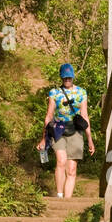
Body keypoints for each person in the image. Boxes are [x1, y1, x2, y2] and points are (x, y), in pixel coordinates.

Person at [38, 63, 95, 198]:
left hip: (75, 130)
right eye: (65, 78)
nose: (67, 80)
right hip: (58, 130)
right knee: (61, 161)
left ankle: (67, 201)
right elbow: (49, 116)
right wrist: (43, 138)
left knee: (71, 169)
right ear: (61, 78)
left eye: (69, 78)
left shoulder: (81, 92)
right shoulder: (54, 93)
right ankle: (59, 195)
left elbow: (85, 116)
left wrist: (90, 140)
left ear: (73, 77)